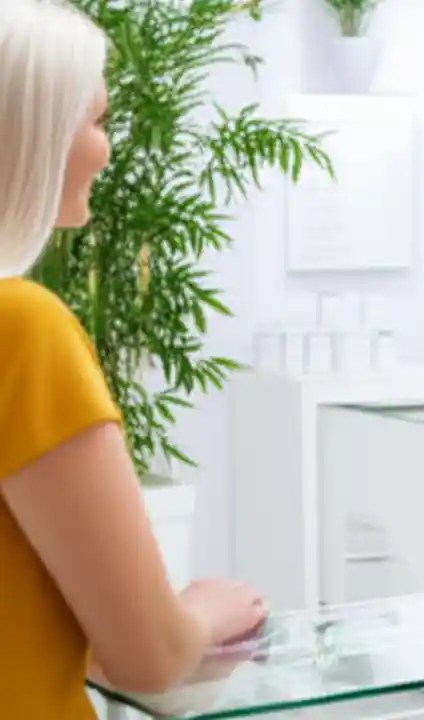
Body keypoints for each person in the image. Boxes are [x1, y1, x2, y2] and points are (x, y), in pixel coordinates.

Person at [0, 2, 268, 717]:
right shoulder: (22, 330)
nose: (105, 149)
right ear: (32, 134)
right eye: (96, 121)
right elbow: (150, 657)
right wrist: (206, 611)